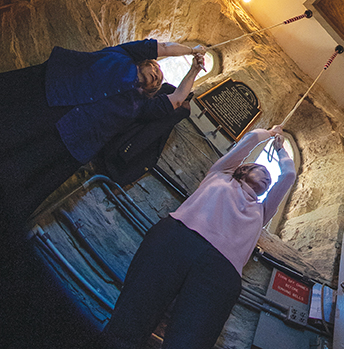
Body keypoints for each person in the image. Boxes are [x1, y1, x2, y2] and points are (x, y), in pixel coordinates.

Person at [103, 126, 296, 349]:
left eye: (269, 180)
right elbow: (251, 139)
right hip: (177, 240)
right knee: (131, 316)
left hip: (221, 270)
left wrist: (282, 152)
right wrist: (271, 134)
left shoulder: (262, 211)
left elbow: (289, 174)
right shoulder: (221, 174)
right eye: (263, 171)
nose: (267, 178)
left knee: (191, 341)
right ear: (243, 170)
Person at [0, 39, 205, 221]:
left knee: (17, 170)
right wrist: (191, 50)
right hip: (54, 100)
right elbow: (163, 47)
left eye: (159, 79)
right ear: (145, 62)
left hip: (71, 142)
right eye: (155, 68)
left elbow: (178, 99)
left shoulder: (142, 106)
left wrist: (194, 70)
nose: (157, 74)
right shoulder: (125, 55)